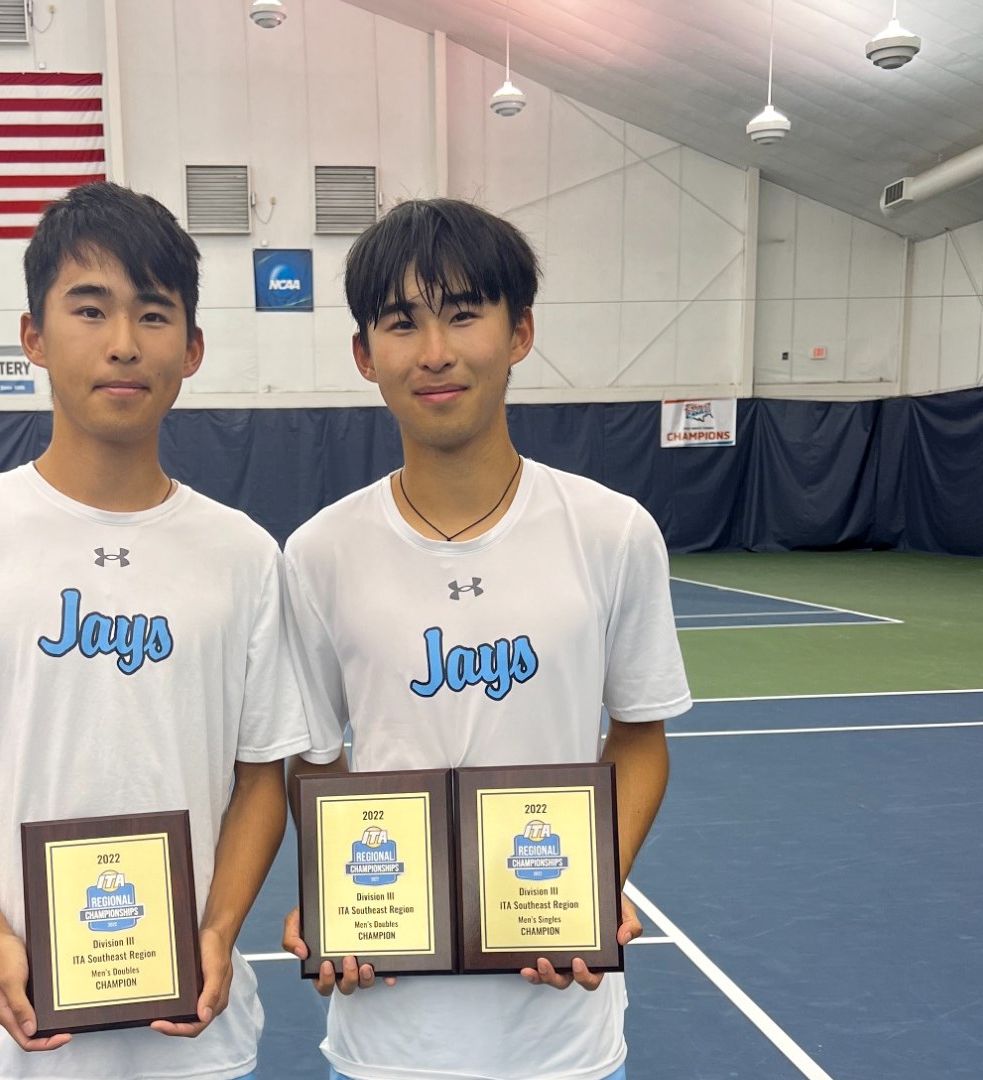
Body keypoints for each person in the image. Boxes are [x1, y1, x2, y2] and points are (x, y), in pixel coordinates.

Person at [0, 182, 309, 1080]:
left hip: (194, 1038)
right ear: (33, 335)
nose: (121, 343)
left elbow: (265, 776)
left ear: (190, 349)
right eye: (89, 308)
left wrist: (219, 929)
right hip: (14, 1043)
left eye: (152, 315)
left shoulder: (244, 554)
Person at [281, 197, 692, 1080]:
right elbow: (316, 766)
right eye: (402, 323)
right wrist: (332, 896)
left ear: (519, 332)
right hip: (388, 1034)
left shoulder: (613, 532)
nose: (435, 351)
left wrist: (593, 878)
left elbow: (641, 738)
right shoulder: (318, 554)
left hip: (562, 1035)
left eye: (465, 313)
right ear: (364, 354)